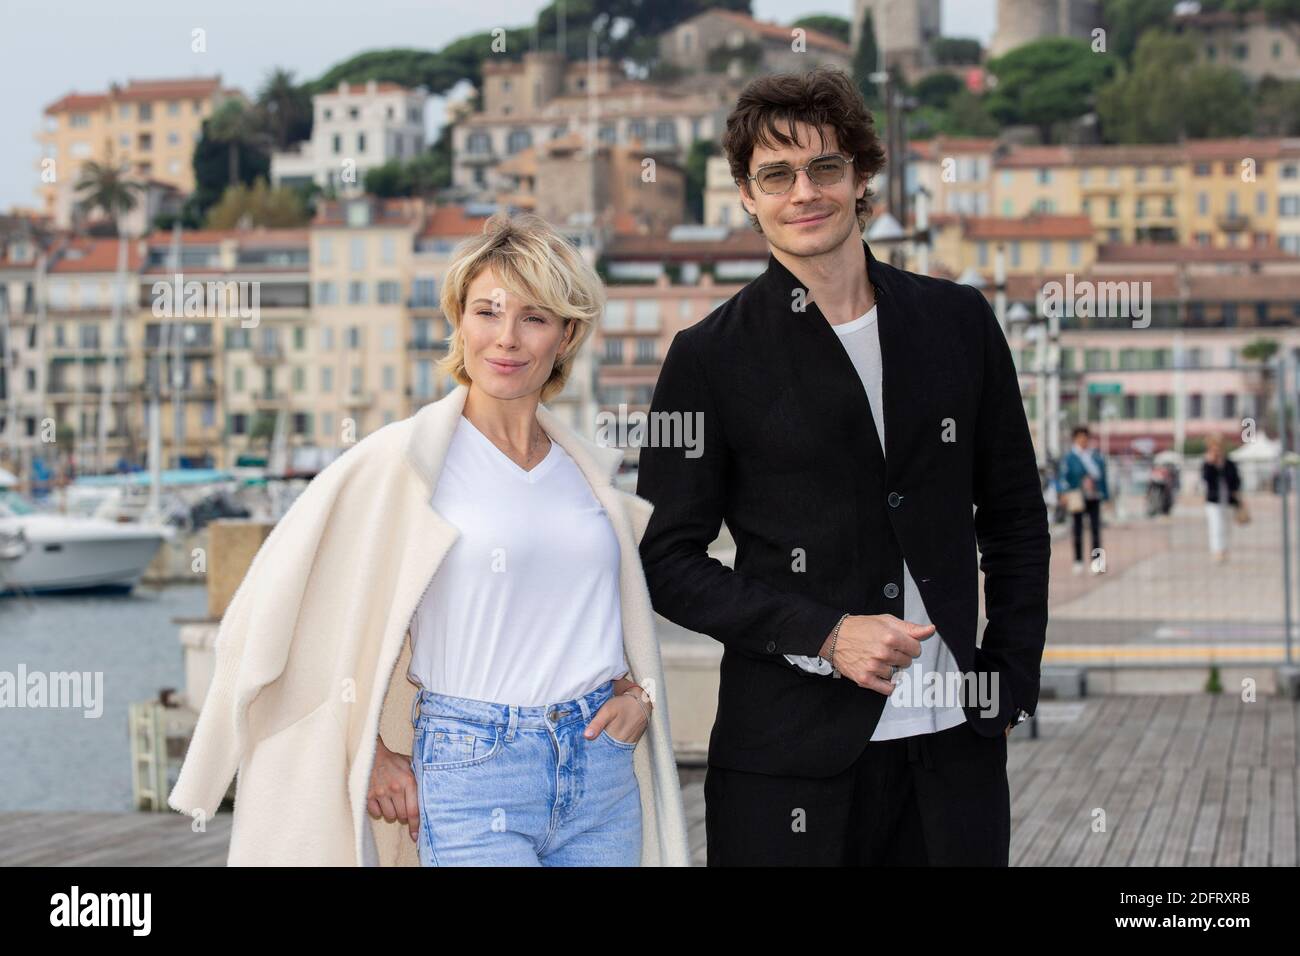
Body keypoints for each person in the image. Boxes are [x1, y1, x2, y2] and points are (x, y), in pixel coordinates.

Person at [169, 213, 690, 866]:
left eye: (533, 316)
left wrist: (636, 700)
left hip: (601, 771)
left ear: (567, 333)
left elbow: (598, 618)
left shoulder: (587, 473)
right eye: (486, 312)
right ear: (458, 321)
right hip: (474, 768)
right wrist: (367, 749)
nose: (506, 338)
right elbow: (275, 616)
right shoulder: (404, 464)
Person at [636, 67, 1050, 867]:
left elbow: (1014, 517)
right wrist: (825, 635)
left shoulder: (960, 321)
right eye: (776, 175)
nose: (805, 192)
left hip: (954, 749)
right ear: (748, 196)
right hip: (787, 763)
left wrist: (1009, 675)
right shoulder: (707, 358)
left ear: (861, 178)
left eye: (825, 167)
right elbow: (667, 559)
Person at [1060, 425, 1109, 574]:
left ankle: (1098, 564)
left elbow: (1102, 476)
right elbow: (1064, 477)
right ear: (1075, 439)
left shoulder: (1095, 455)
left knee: (1095, 531)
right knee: (1077, 530)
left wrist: (1106, 496)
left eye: (1085, 437)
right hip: (1077, 496)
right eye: (1080, 437)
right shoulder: (1070, 457)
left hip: (1093, 496)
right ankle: (1078, 561)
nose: (1083, 440)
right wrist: (1063, 493)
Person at [1202, 434, 1241, 563]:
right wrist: (1211, 463)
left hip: (1228, 499)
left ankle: (1225, 549)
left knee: (1227, 527)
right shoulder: (1207, 463)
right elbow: (1206, 479)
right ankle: (1217, 551)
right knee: (1216, 525)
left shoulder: (1229, 463)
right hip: (1213, 500)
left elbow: (1236, 480)